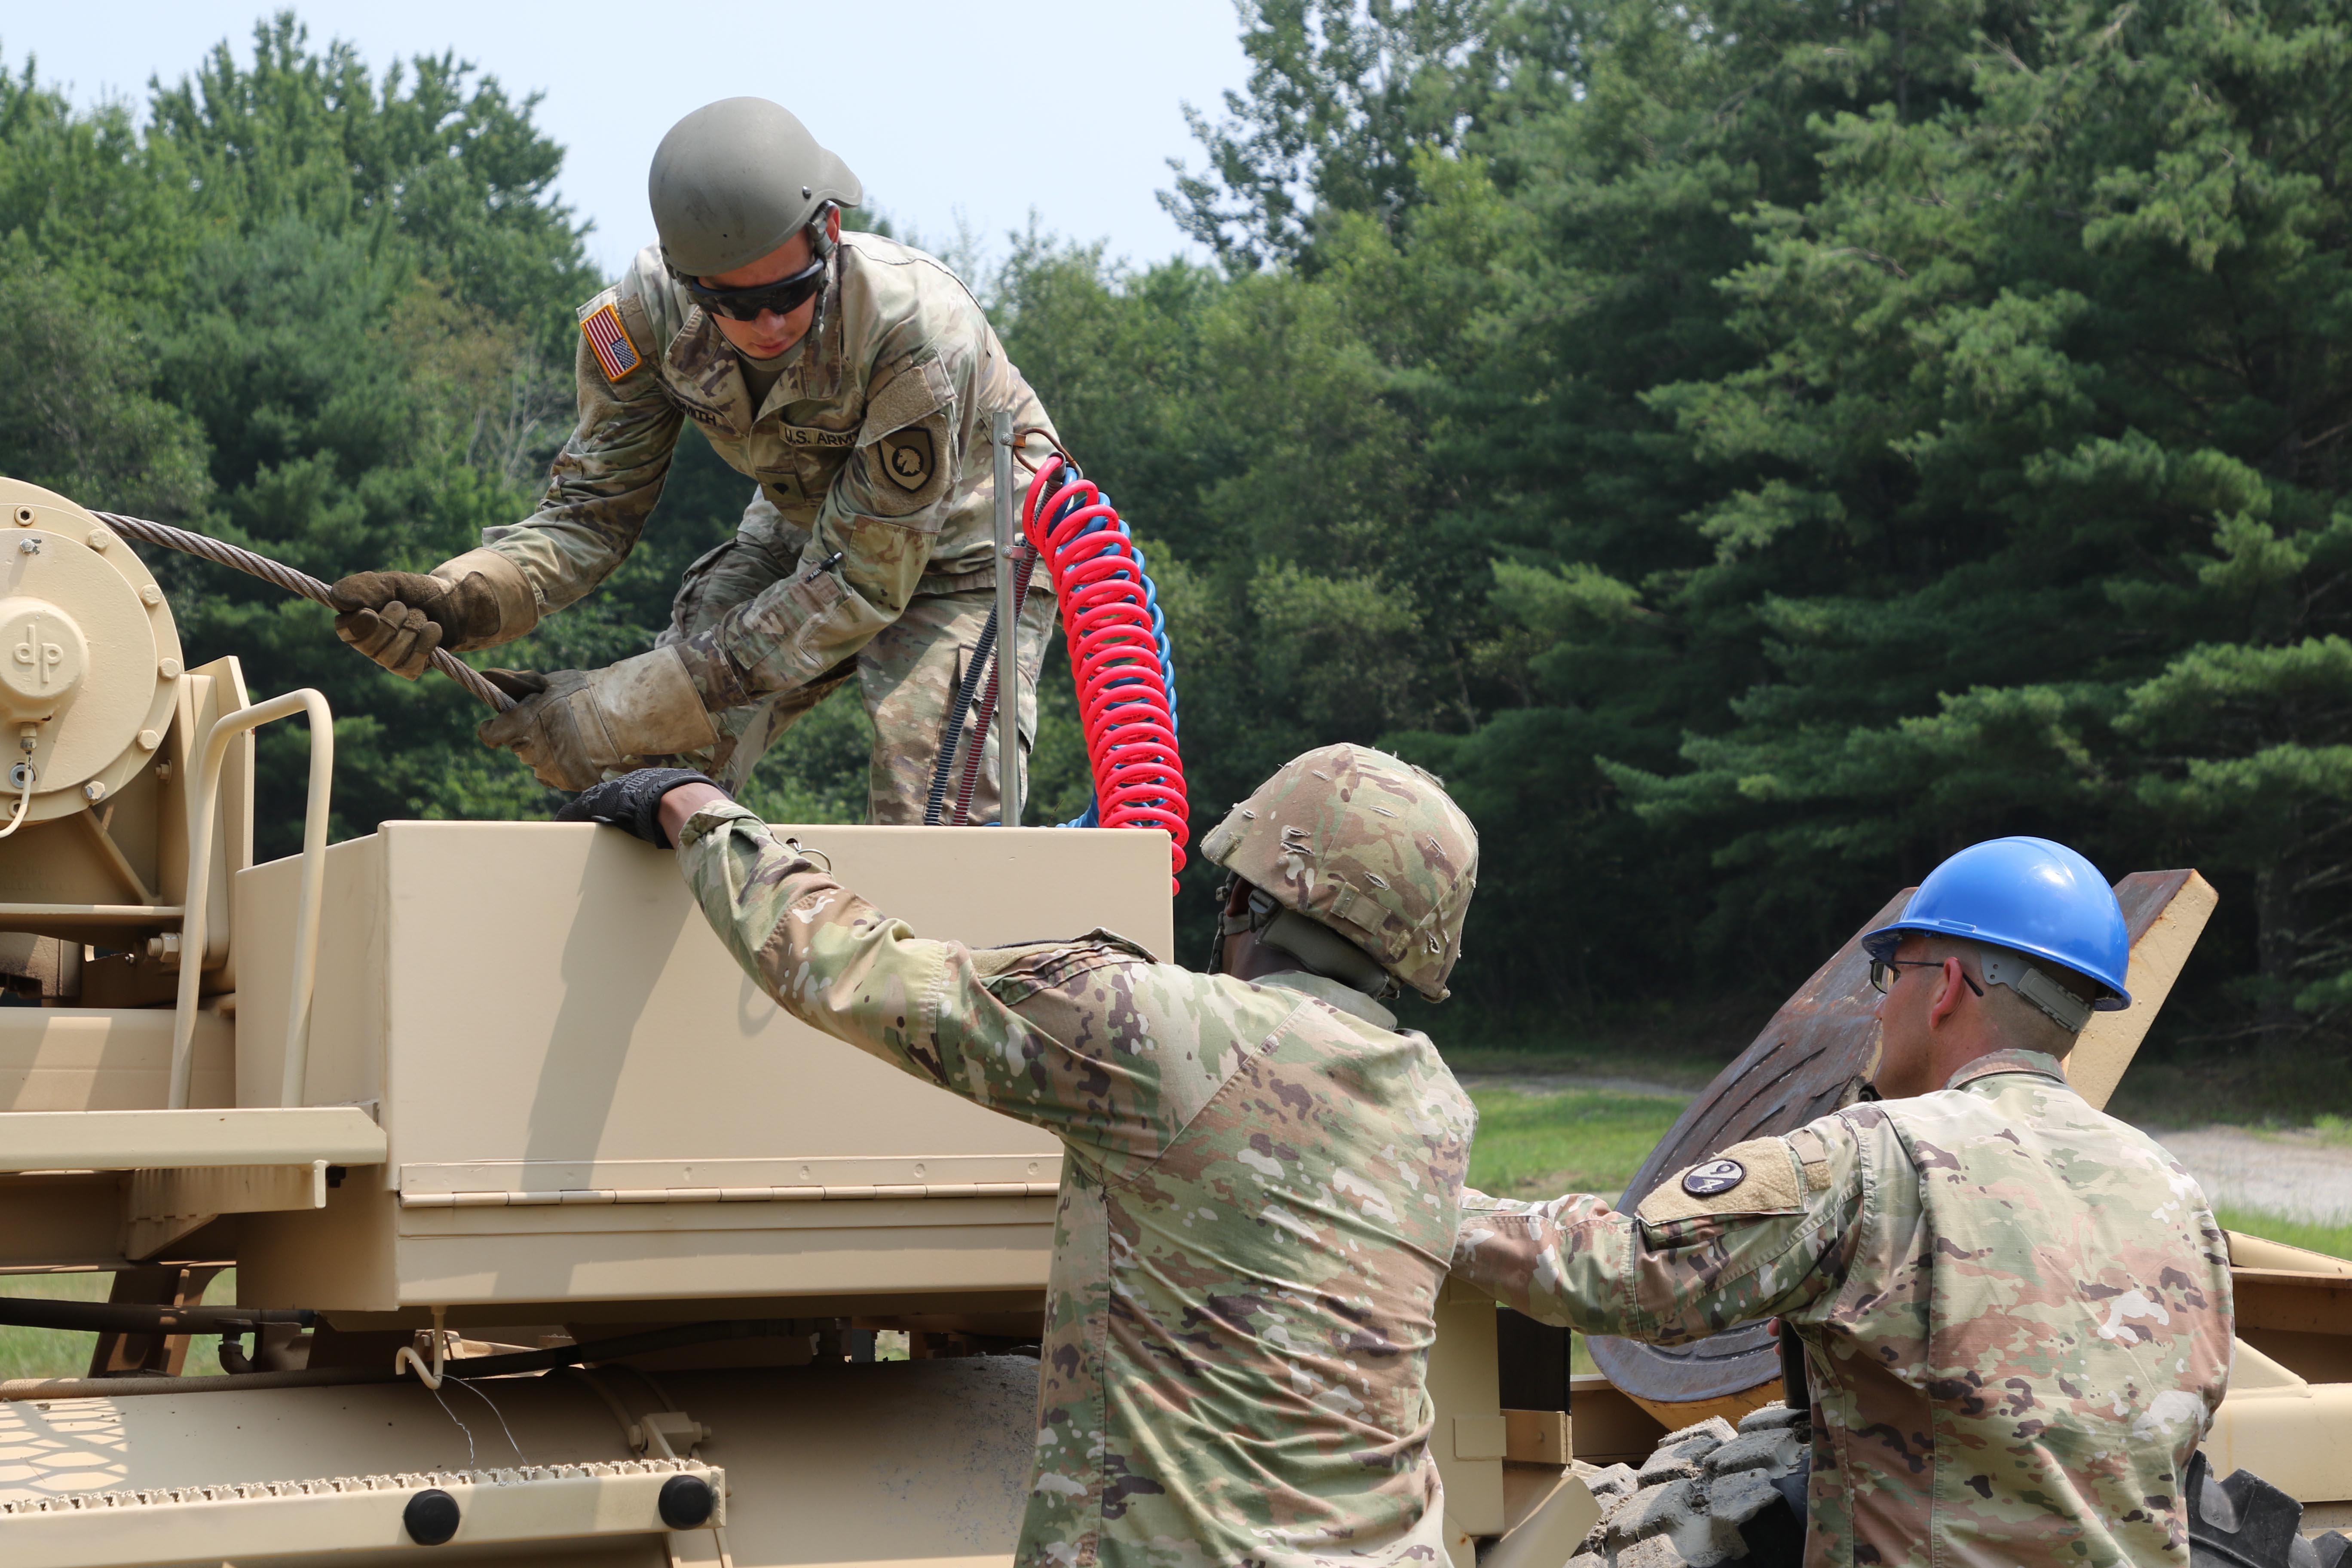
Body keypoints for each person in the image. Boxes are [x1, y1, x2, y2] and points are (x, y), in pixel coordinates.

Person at [556, 743, 1481, 1568]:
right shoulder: (1432, 1102)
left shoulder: (1157, 1027)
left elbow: (844, 968)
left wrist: (695, 808)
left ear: (1245, 896)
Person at [1451, 837, 2234, 1568]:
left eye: (1893, 977)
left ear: (1947, 988)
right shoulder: (2174, 1192)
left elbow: (1623, 1273)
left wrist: (1422, 1201)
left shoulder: (1875, 1155)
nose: (1881, 1007)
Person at [329, 97, 1060, 821]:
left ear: (827, 232)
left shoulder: (918, 330)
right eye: (735, 306)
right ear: (686, 283)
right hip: (802, 534)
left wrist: (619, 707)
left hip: (970, 555)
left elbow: (862, 583)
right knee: (654, 776)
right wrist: (462, 599)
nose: (768, 325)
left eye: (790, 293)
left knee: (942, 818)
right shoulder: (640, 322)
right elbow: (589, 514)